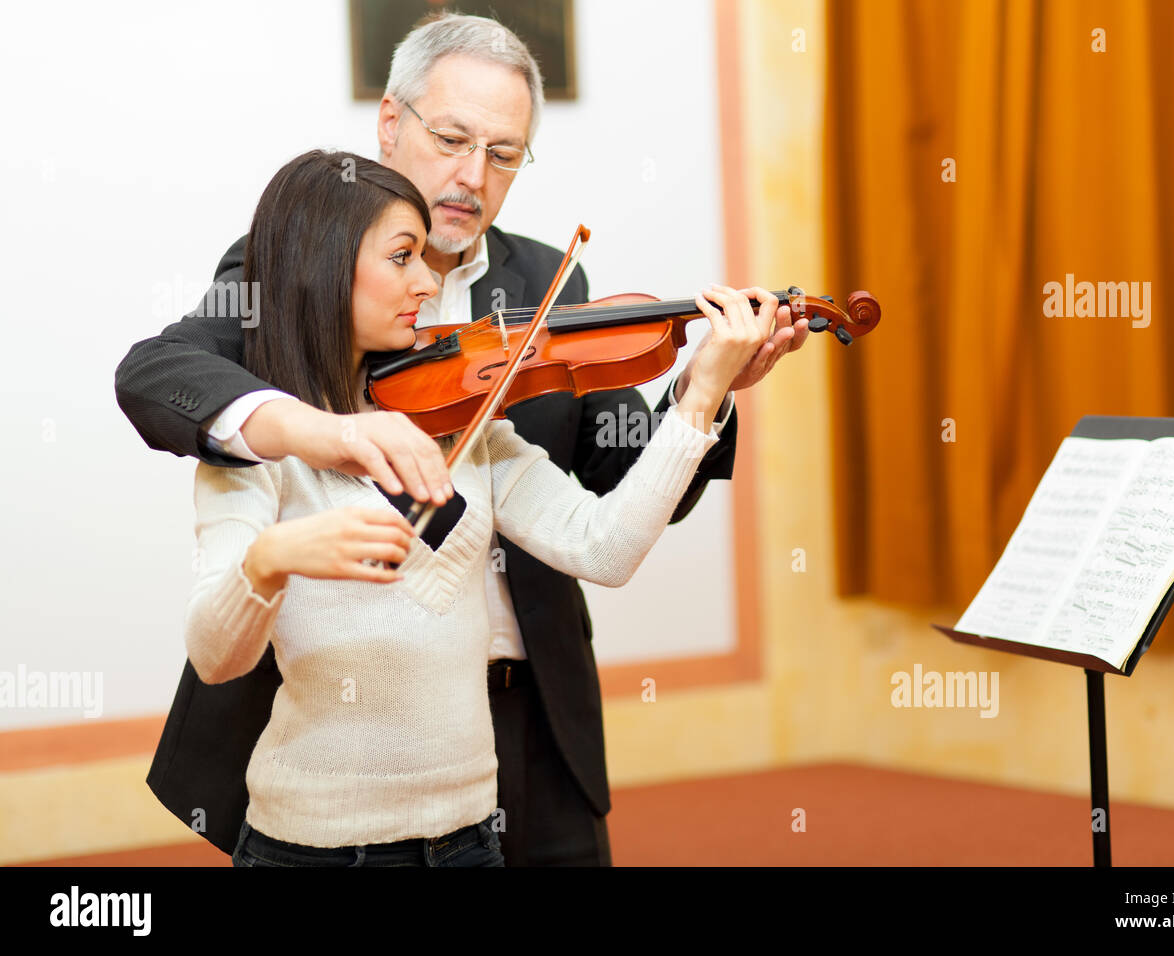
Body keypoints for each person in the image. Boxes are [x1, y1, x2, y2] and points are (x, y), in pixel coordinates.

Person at [115, 12, 807, 865]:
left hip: (525, 708)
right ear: (392, 123)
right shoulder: (288, 263)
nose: (471, 176)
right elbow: (161, 374)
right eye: (451, 137)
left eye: (504, 154)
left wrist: (704, 394)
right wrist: (327, 436)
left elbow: (608, 485)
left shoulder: (549, 282)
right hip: (334, 733)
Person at [197, 148, 770, 866]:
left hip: (470, 837)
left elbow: (605, 547)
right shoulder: (254, 441)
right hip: (313, 848)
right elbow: (218, 658)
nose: (427, 278)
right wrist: (271, 559)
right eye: (403, 257)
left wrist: (704, 393)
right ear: (324, 267)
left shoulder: (469, 427)